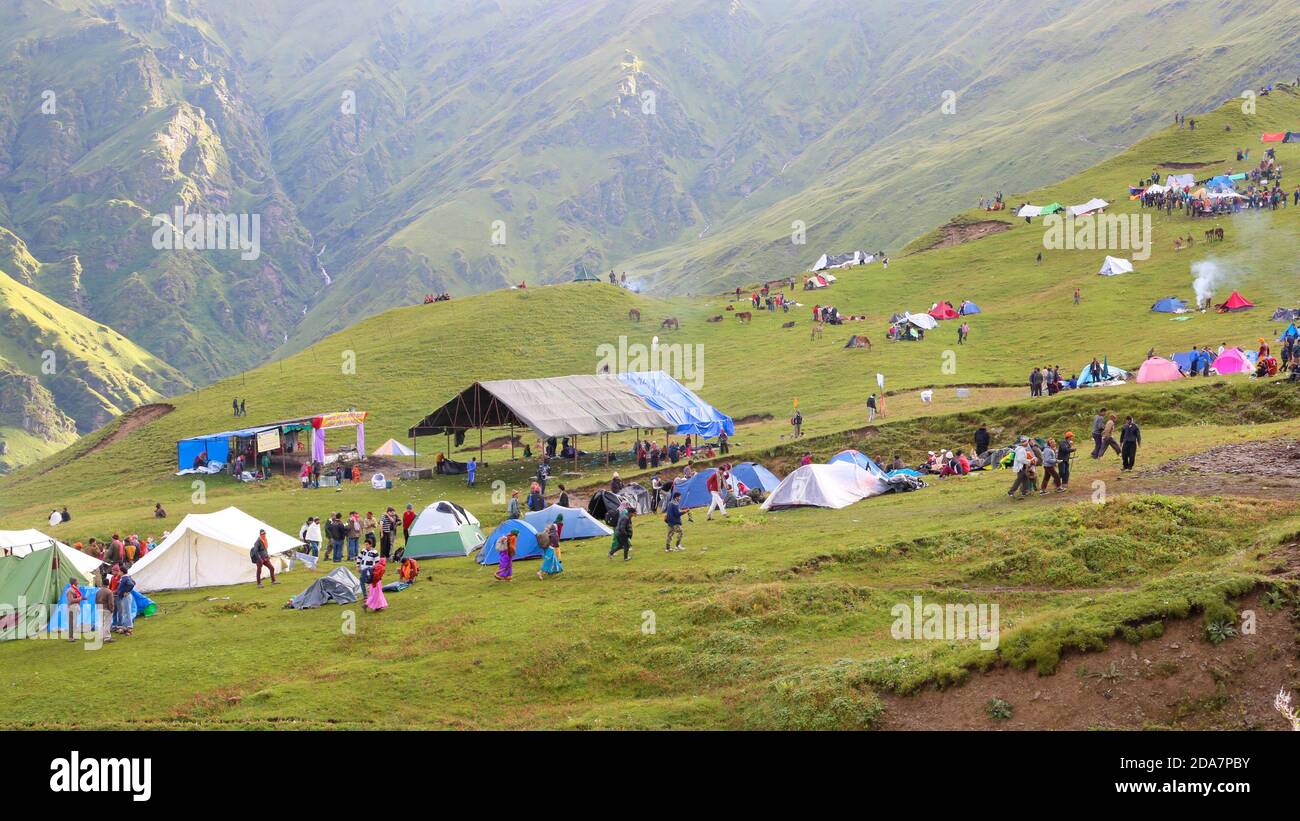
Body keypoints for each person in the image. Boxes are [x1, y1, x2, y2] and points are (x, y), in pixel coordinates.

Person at [113, 566, 136, 636]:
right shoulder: (125, 578)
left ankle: (129, 627)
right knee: (125, 612)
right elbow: (133, 583)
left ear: (122, 572)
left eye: (119, 571)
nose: (118, 572)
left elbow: (131, 584)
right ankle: (126, 626)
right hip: (123, 597)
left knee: (127, 612)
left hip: (125, 597)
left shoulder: (125, 578)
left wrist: (127, 591)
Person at [357, 533, 380, 603]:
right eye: (365, 544)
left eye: (367, 544)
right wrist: (358, 566)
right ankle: (366, 596)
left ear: (370, 544)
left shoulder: (374, 552)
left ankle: (368, 596)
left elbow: (377, 563)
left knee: (366, 582)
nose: (365, 546)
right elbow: (359, 558)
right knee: (362, 582)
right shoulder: (363, 551)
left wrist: (372, 569)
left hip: (369, 571)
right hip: (362, 570)